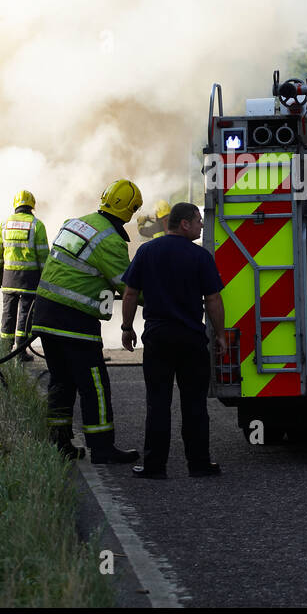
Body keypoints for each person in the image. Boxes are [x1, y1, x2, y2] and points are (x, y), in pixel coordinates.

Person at [31, 179, 142, 464]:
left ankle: (60, 443)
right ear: (131, 210)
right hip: (74, 320)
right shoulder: (111, 241)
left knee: (62, 380)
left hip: (45, 313)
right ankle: (102, 448)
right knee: (94, 383)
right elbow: (129, 288)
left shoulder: (75, 223)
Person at [120, 202, 225, 479]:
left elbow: (130, 293)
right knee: (194, 404)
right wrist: (221, 334)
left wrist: (127, 327)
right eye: (198, 220)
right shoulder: (200, 257)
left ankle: (154, 467)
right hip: (191, 340)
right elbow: (213, 299)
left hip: (158, 339)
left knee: (158, 403)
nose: (202, 225)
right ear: (184, 224)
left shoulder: (147, 252)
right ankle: (199, 464)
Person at [0, 190, 49, 361]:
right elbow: (43, 255)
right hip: (29, 280)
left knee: (8, 314)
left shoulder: (5, 224)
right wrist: (44, 278)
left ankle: (4, 351)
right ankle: (21, 352)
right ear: (32, 206)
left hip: (8, 278)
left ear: (16, 205)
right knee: (25, 315)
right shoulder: (36, 225)